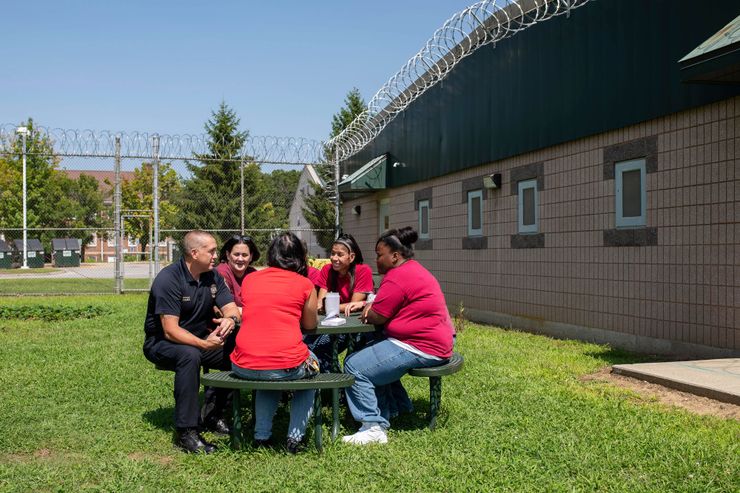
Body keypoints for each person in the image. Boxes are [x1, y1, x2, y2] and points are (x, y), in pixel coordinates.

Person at [341, 227, 455, 445]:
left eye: (379, 254)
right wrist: (368, 304)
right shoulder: (411, 269)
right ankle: (398, 407)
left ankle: (373, 426)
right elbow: (385, 304)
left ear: (395, 256)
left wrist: (370, 309)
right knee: (370, 349)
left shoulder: (397, 277)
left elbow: (377, 316)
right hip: (434, 340)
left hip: (421, 345)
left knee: (355, 365)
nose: (376, 260)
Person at [143, 230, 241, 454]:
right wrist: (204, 344)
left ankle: (215, 415)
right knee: (190, 355)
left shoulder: (213, 276)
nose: (217, 256)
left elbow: (231, 308)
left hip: (197, 341)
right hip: (161, 343)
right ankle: (186, 432)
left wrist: (230, 319)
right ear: (194, 253)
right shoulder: (168, 279)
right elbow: (170, 330)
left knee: (238, 347)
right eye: (212, 251)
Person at [230, 232, 319, 453]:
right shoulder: (305, 284)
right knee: (313, 371)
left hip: (242, 364)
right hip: (284, 365)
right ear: (300, 257)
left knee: (268, 367)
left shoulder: (250, 279)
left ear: (271, 254)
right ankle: (294, 438)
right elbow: (310, 325)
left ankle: (261, 436)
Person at [306, 233, 374, 372]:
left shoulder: (362, 271)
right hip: (328, 323)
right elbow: (319, 303)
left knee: (321, 348)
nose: (334, 258)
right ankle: (328, 386)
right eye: (332, 253)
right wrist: (327, 306)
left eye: (339, 254)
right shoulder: (327, 270)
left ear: (352, 257)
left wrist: (327, 306)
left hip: (353, 327)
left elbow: (353, 306)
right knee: (306, 346)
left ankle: (337, 388)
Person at [216, 235, 260, 315]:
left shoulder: (253, 274)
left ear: (251, 257)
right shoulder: (221, 273)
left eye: (244, 255)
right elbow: (227, 308)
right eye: (236, 254)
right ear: (228, 255)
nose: (240, 259)